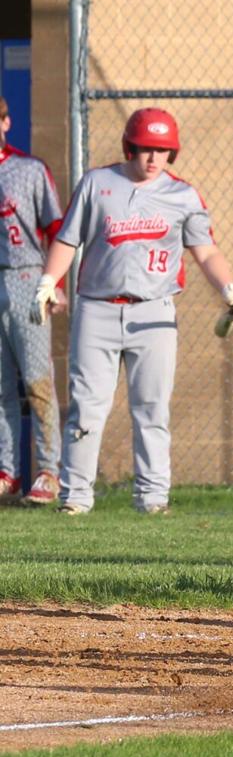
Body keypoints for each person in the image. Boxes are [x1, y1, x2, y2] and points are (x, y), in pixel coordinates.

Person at [31, 107, 233, 517]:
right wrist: (48, 281)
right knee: (87, 408)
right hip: (97, 309)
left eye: (162, 150)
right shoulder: (97, 183)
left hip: (154, 313)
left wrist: (228, 288)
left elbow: (206, 252)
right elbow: (67, 240)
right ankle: (75, 497)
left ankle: (152, 499)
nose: (153, 158)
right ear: (129, 146)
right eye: (145, 148)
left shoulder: (183, 196)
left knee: (152, 409)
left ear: (172, 153)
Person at [0, 95, 64, 504]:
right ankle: (7, 472)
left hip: (25, 274)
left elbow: (56, 228)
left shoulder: (28, 169)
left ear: (6, 122)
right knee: (0, 386)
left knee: (38, 380)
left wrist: (53, 281)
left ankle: (48, 471)